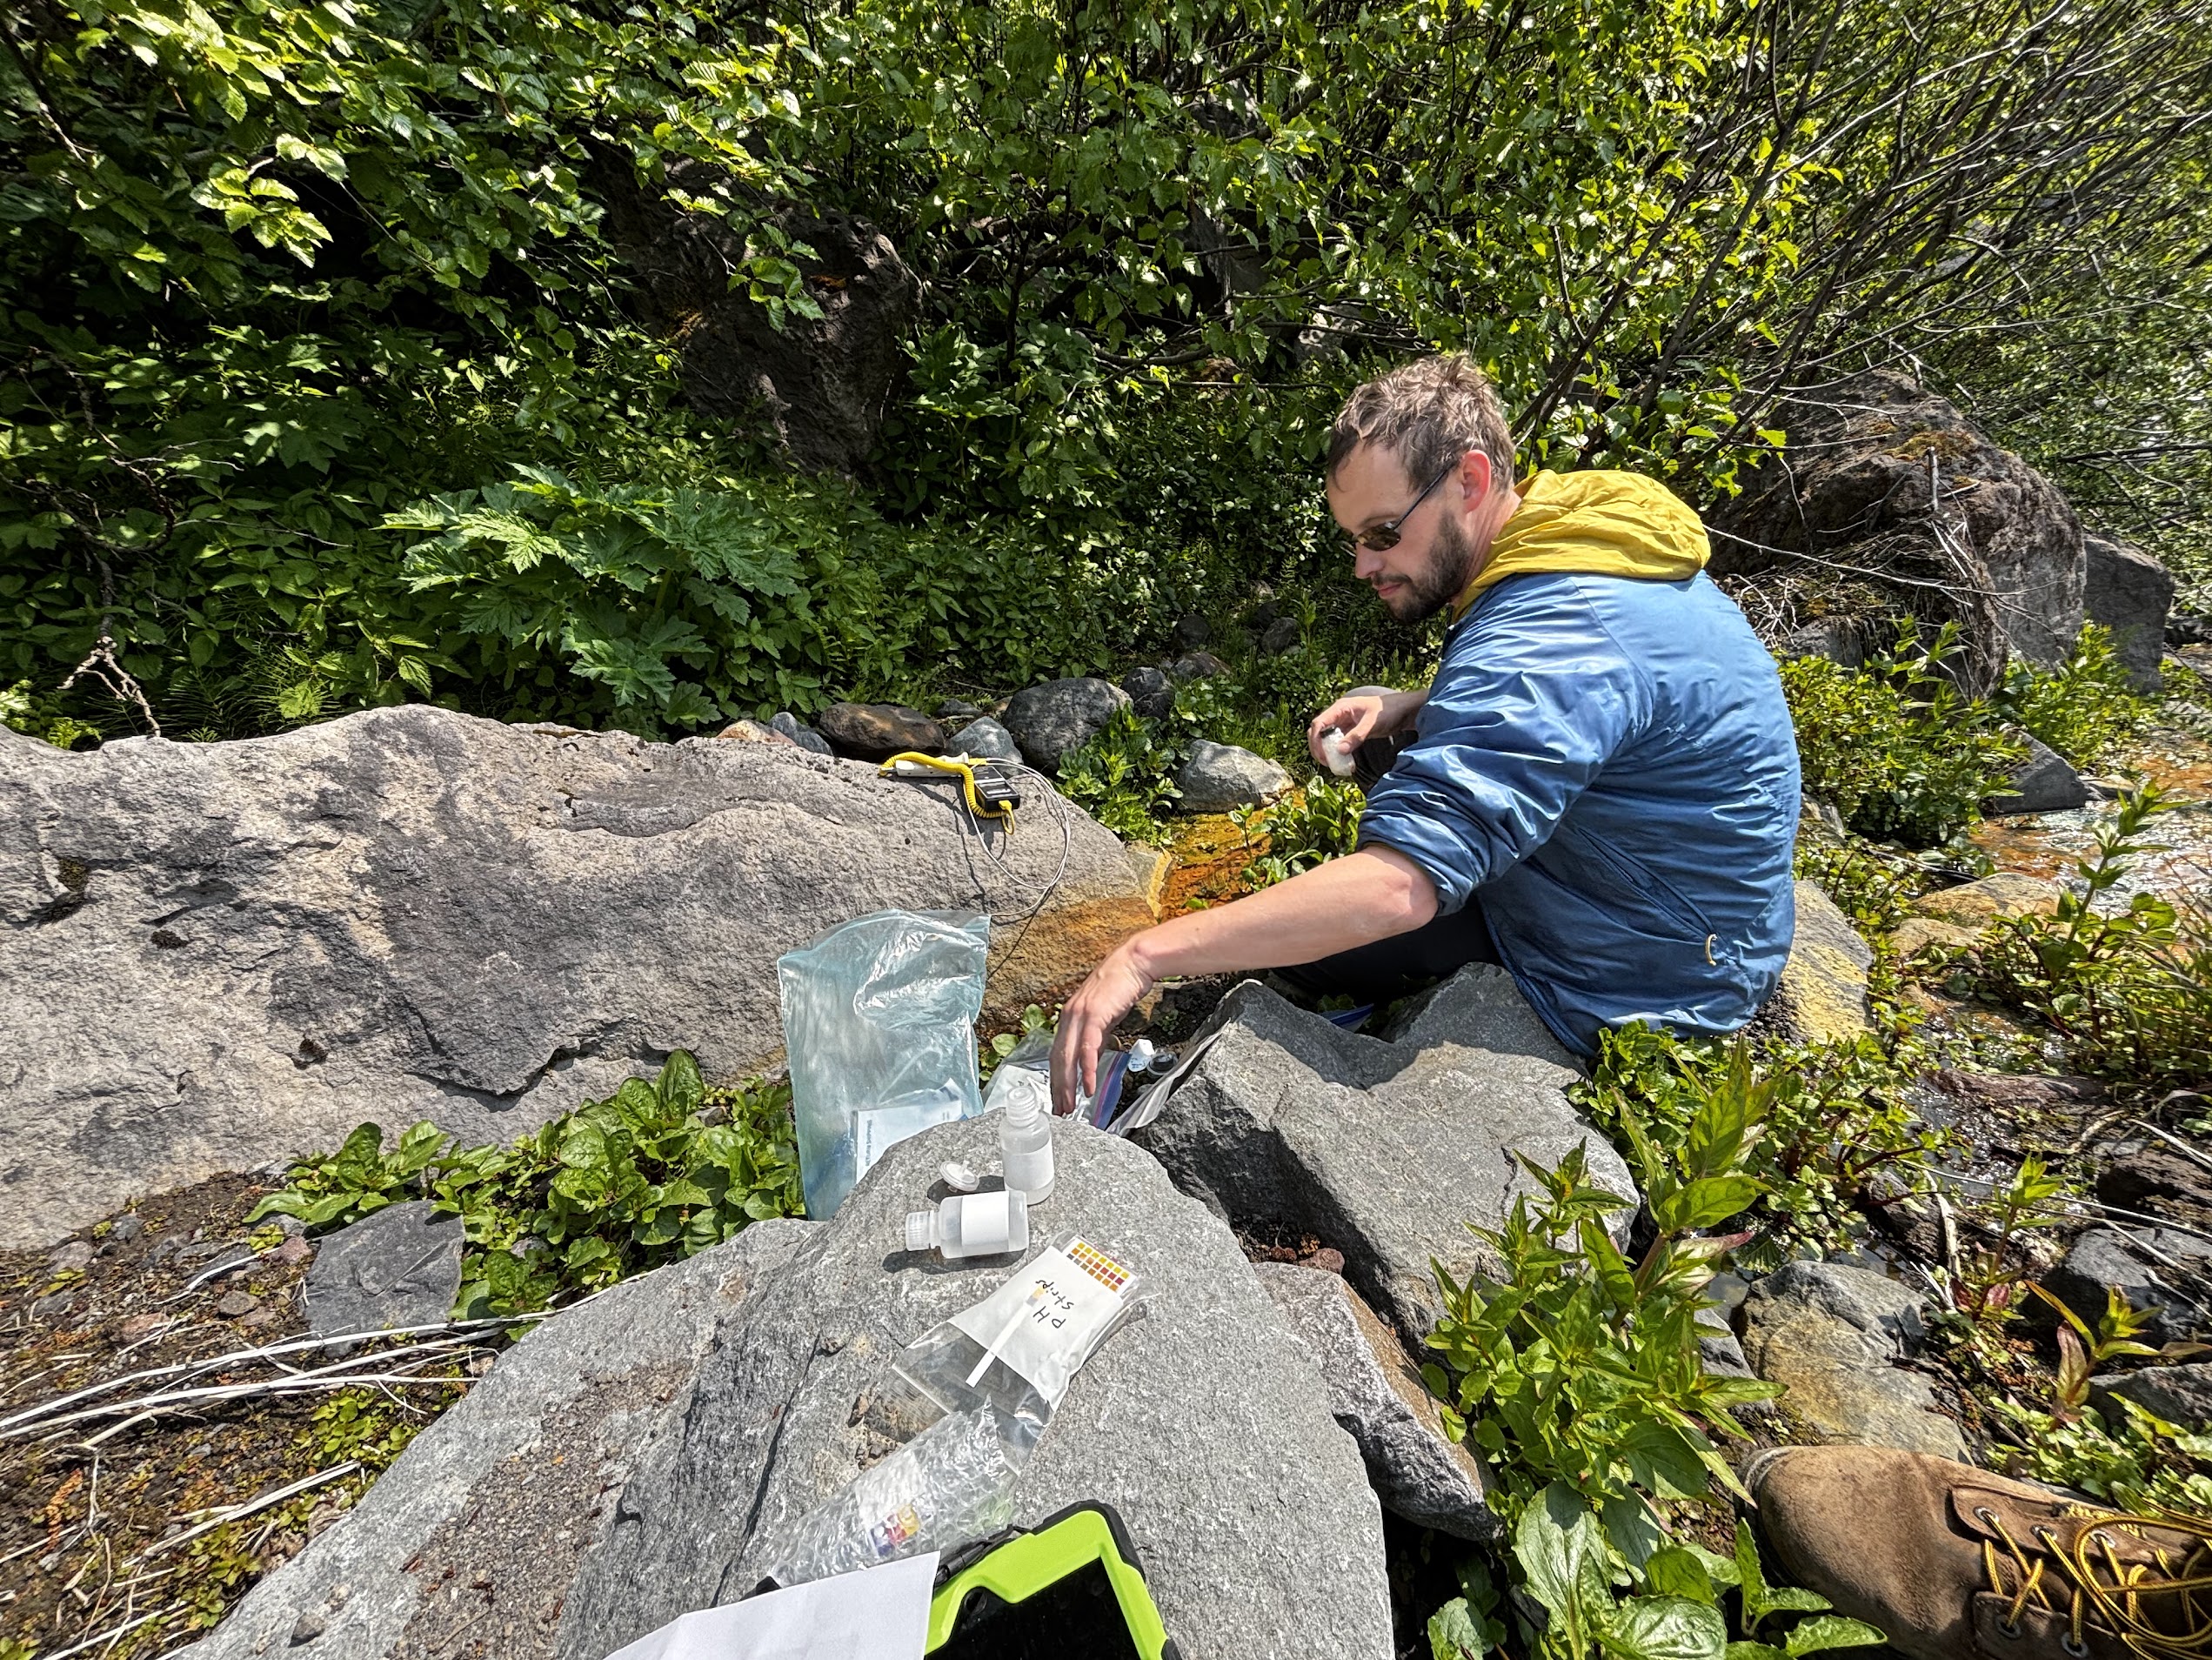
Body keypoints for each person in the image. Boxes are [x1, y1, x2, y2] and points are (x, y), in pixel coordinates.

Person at [1048, 352, 1801, 1114]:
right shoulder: (1580, 538)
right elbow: (1603, 695)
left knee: (1323, 947)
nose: (1363, 564)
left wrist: (1143, 956)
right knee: (1385, 765)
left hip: (1651, 970)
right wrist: (1415, 703)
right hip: (1691, 908)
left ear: (1469, 481)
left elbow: (1399, 889)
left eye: (1382, 531)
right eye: (1354, 538)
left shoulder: (1547, 636)